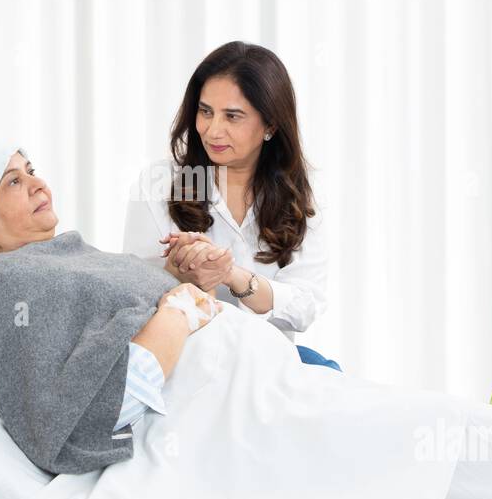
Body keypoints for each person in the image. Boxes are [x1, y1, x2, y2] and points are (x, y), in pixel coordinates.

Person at [0, 139, 220, 474]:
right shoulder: (0, 284)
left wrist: (183, 278)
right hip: (219, 413)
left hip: (242, 375)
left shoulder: (60, 260)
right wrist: (179, 314)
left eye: (31, 172)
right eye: (13, 181)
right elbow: (90, 414)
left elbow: (138, 318)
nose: (38, 184)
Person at [122, 41, 338, 369]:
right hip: (185, 359)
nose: (212, 130)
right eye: (205, 111)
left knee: (328, 376)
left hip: (266, 361)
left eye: (232, 116)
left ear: (270, 125)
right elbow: (131, 295)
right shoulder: (160, 183)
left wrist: (233, 276)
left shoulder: (300, 194)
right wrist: (179, 271)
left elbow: (305, 306)